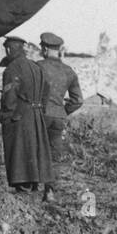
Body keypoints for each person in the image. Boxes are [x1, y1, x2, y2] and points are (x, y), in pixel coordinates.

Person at [0, 35, 55, 193]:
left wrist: (5, 115)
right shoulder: (37, 67)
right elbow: (47, 90)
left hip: (20, 117)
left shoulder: (12, 69)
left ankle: (23, 187)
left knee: (20, 152)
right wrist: (39, 109)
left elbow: (9, 98)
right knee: (34, 151)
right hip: (36, 115)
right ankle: (33, 185)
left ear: (9, 49)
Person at [38, 32, 82, 201]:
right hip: (58, 117)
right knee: (55, 154)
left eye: (42, 48)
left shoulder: (38, 67)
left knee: (36, 150)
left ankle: (31, 186)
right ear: (59, 50)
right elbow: (78, 100)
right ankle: (50, 191)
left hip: (40, 115)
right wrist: (63, 111)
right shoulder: (68, 71)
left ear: (45, 49)